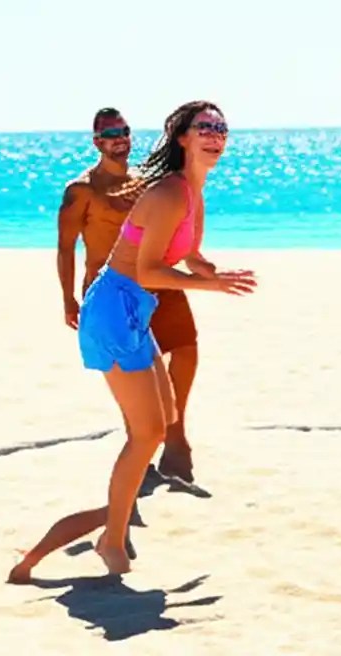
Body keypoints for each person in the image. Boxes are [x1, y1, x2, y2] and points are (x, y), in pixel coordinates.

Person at [11, 101, 256, 580]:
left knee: (161, 425)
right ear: (182, 136)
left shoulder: (190, 190)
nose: (215, 135)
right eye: (204, 127)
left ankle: (110, 523)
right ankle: (111, 534)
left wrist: (210, 270)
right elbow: (147, 269)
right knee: (145, 434)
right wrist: (211, 286)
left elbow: (183, 251)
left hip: (133, 311)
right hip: (113, 311)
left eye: (221, 127)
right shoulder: (169, 192)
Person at [56, 108, 203, 483]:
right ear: (97, 142)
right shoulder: (82, 190)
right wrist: (69, 298)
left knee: (186, 348)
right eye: (110, 133)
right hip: (112, 291)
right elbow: (65, 247)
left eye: (124, 130)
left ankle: (176, 433)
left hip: (156, 282)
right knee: (131, 369)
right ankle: (143, 447)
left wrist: (193, 257)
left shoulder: (145, 185)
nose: (119, 138)